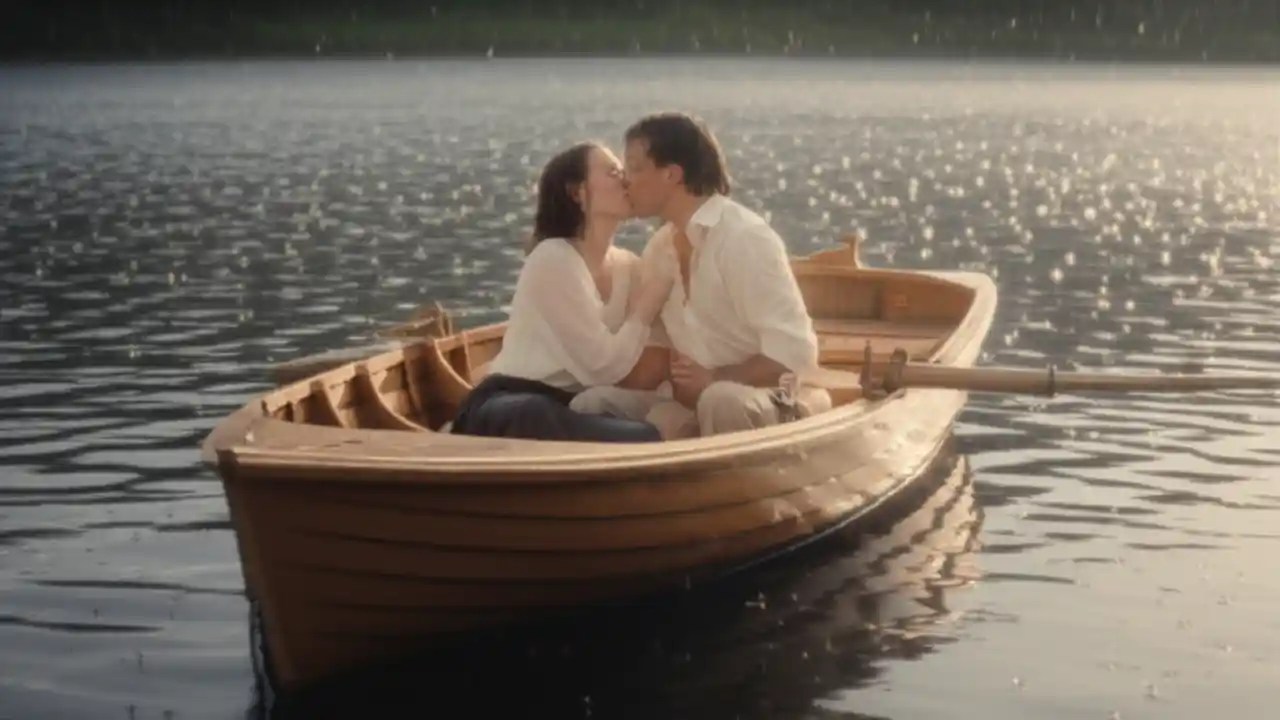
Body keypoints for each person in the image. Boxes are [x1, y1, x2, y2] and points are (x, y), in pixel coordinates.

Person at [571, 112, 832, 439]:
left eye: (635, 168)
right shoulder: (659, 248)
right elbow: (655, 354)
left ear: (671, 174)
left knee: (720, 401)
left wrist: (716, 377)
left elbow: (796, 355)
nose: (625, 180)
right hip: (692, 401)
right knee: (592, 403)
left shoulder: (743, 238)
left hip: (769, 397)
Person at [450, 142, 672, 442]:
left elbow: (639, 361)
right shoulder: (552, 257)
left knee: (632, 424)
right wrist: (645, 307)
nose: (625, 179)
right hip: (508, 404)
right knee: (536, 412)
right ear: (576, 193)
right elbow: (602, 366)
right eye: (612, 172)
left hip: (574, 410)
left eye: (624, 171)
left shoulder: (629, 267)